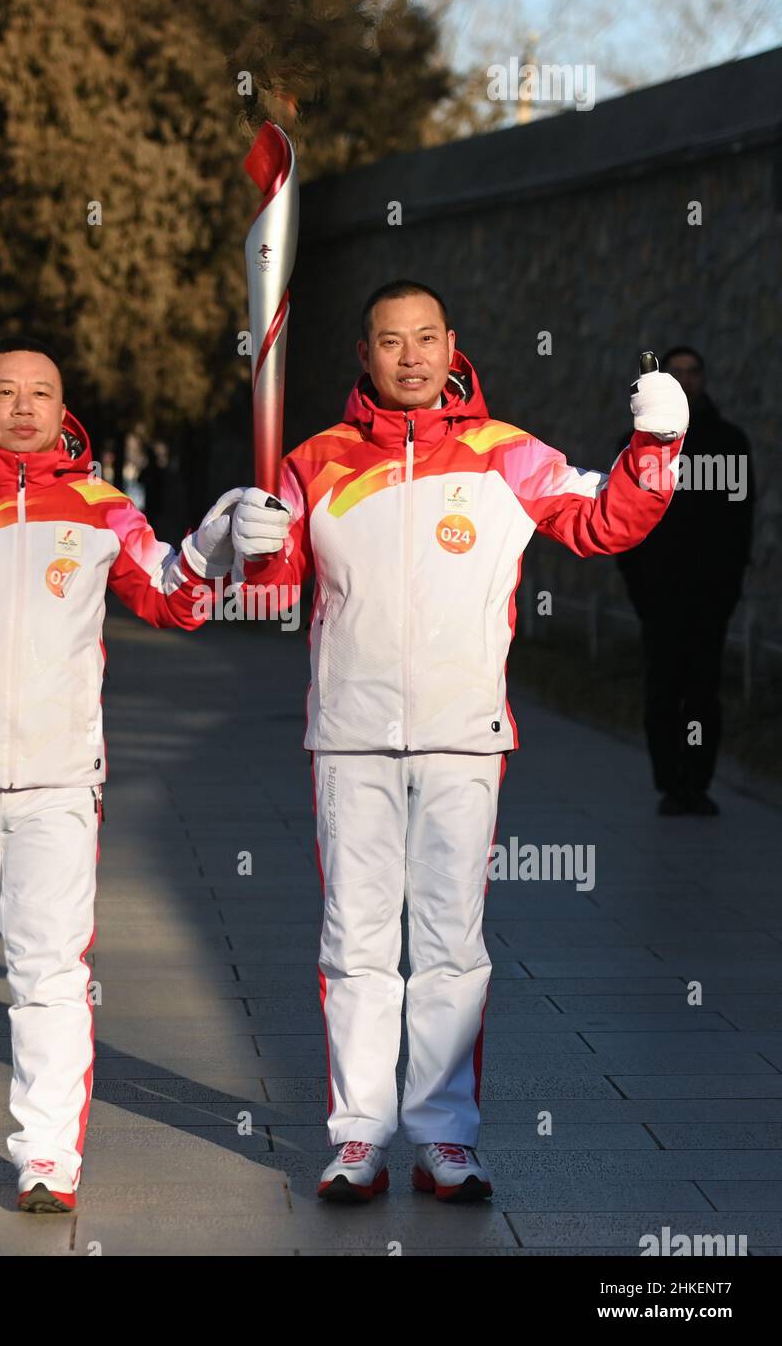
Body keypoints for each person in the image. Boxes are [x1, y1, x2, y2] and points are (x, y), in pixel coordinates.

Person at [230, 281, 689, 1204]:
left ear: (452, 347)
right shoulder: (314, 461)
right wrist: (255, 542)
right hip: (351, 739)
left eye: (426, 339)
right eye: (390, 342)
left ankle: (446, 1138)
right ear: (363, 355)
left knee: (450, 944)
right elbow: (272, 590)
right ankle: (358, 1138)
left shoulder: (506, 455)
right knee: (355, 944)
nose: (410, 357)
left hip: (461, 738)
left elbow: (605, 522)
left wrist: (656, 451)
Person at [0, 336, 241, 1212]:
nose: (23, 407)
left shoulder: (103, 509)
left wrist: (213, 546)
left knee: (48, 971)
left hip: (61, 780)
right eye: (4, 392)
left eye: (41, 393)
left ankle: (47, 1154)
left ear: (65, 410)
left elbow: (173, 598)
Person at [614, 346, 755, 816]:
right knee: (663, 690)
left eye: (695, 372)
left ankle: (697, 783)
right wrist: (641, 590)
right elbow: (622, 524)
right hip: (659, 599)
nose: (688, 381)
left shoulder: (730, 442)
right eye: (678, 373)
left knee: (702, 691)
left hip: (710, 599)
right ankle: (671, 783)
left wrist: (728, 588)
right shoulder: (639, 444)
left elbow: (741, 524)